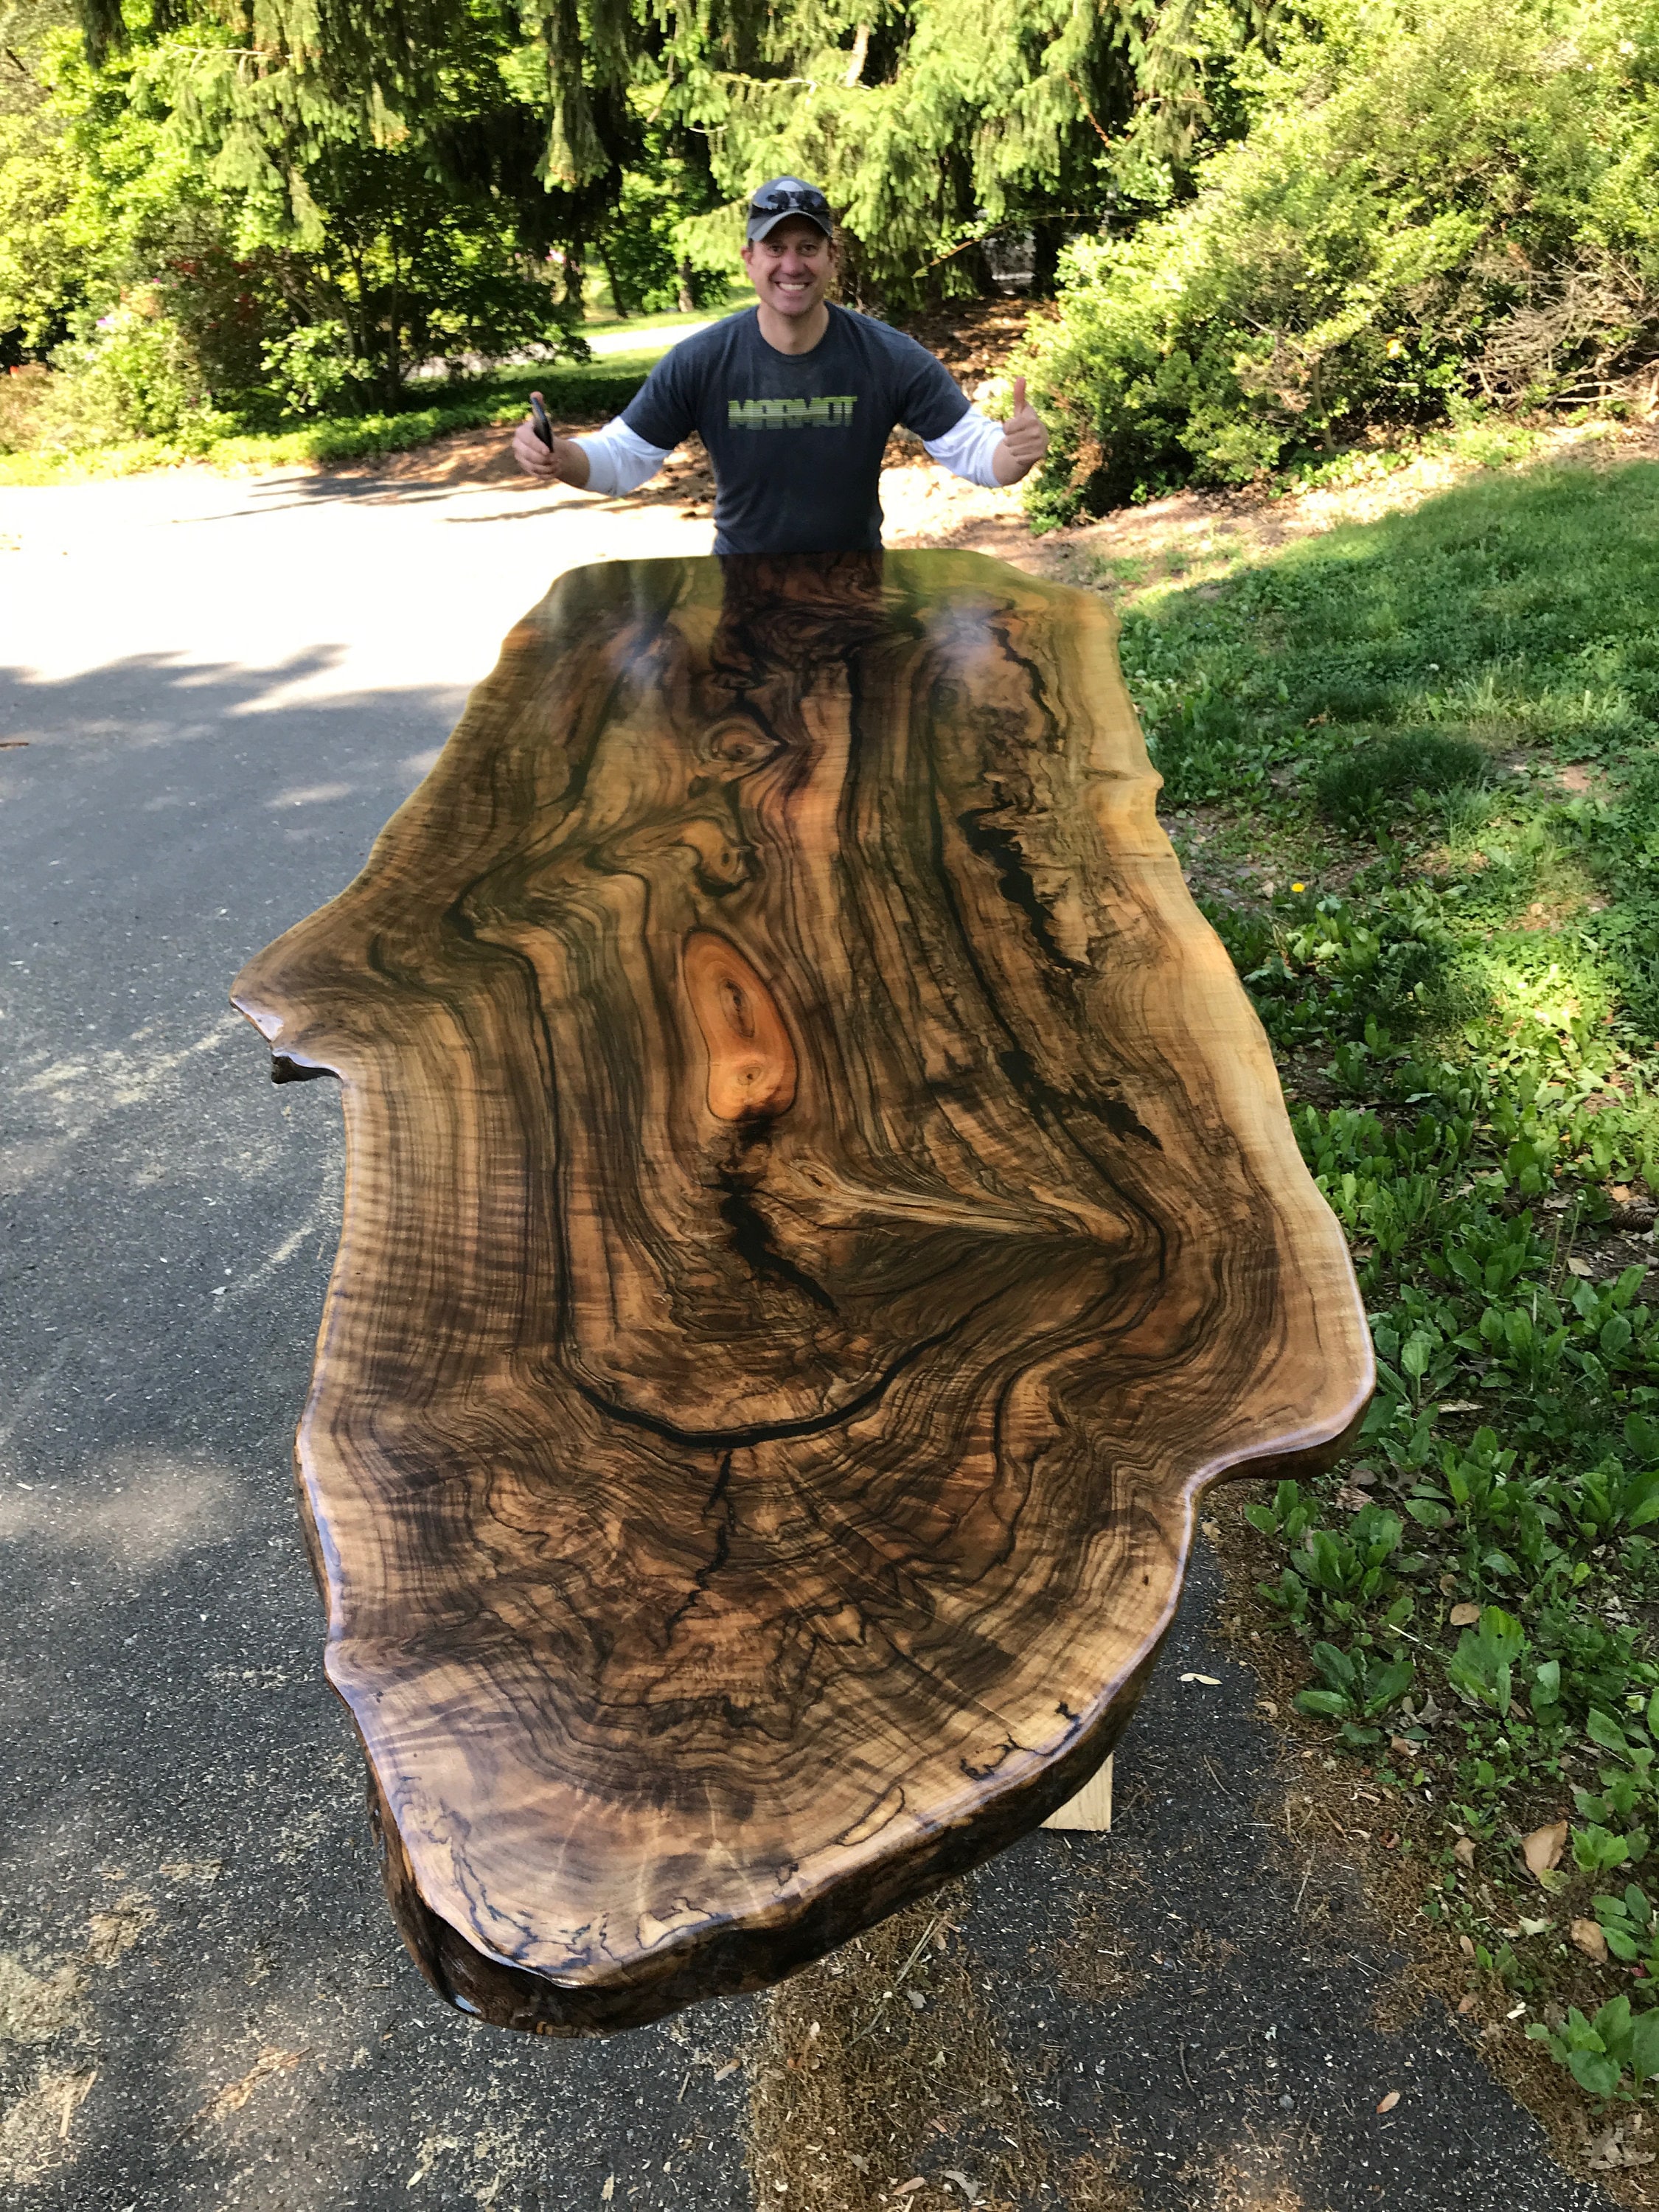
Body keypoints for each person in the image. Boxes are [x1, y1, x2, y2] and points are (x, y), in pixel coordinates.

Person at [511, 176, 1049, 555]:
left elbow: (976, 451)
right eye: (775, 248)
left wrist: (1015, 453)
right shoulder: (701, 361)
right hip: (741, 585)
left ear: (832, 258)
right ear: (750, 259)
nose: (792, 265)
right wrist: (560, 457)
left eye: (808, 246)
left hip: (857, 583)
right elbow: (624, 457)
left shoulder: (889, 357)